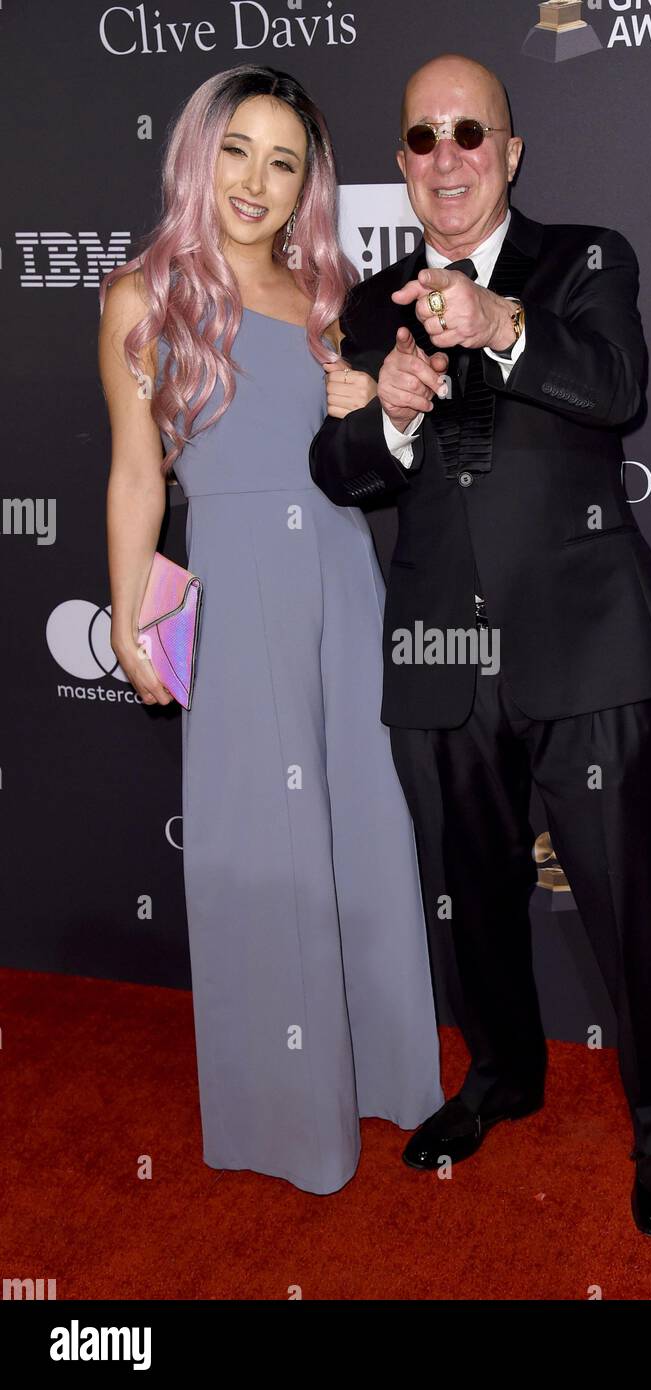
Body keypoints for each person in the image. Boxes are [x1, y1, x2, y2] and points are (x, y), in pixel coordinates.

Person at [310, 53, 651, 1235]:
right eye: (423, 137)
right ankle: (498, 1079)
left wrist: (501, 322)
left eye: (468, 134)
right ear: (400, 162)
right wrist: (384, 416)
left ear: (509, 151)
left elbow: (616, 386)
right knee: (470, 899)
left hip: (587, 644)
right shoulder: (367, 303)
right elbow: (334, 471)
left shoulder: (584, 259)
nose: (447, 158)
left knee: (628, 904)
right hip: (437, 652)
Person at [98, 64, 443, 1197]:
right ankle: (285, 1119)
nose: (255, 179)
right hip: (238, 590)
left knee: (363, 831)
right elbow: (138, 476)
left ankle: (386, 1075)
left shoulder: (330, 300)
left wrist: (368, 412)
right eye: (236, 149)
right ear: (199, 153)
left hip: (342, 586)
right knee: (259, 852)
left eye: (283, 160)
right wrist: (129, 616)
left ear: (308, 186)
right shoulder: (142, 296)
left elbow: (359, 467)